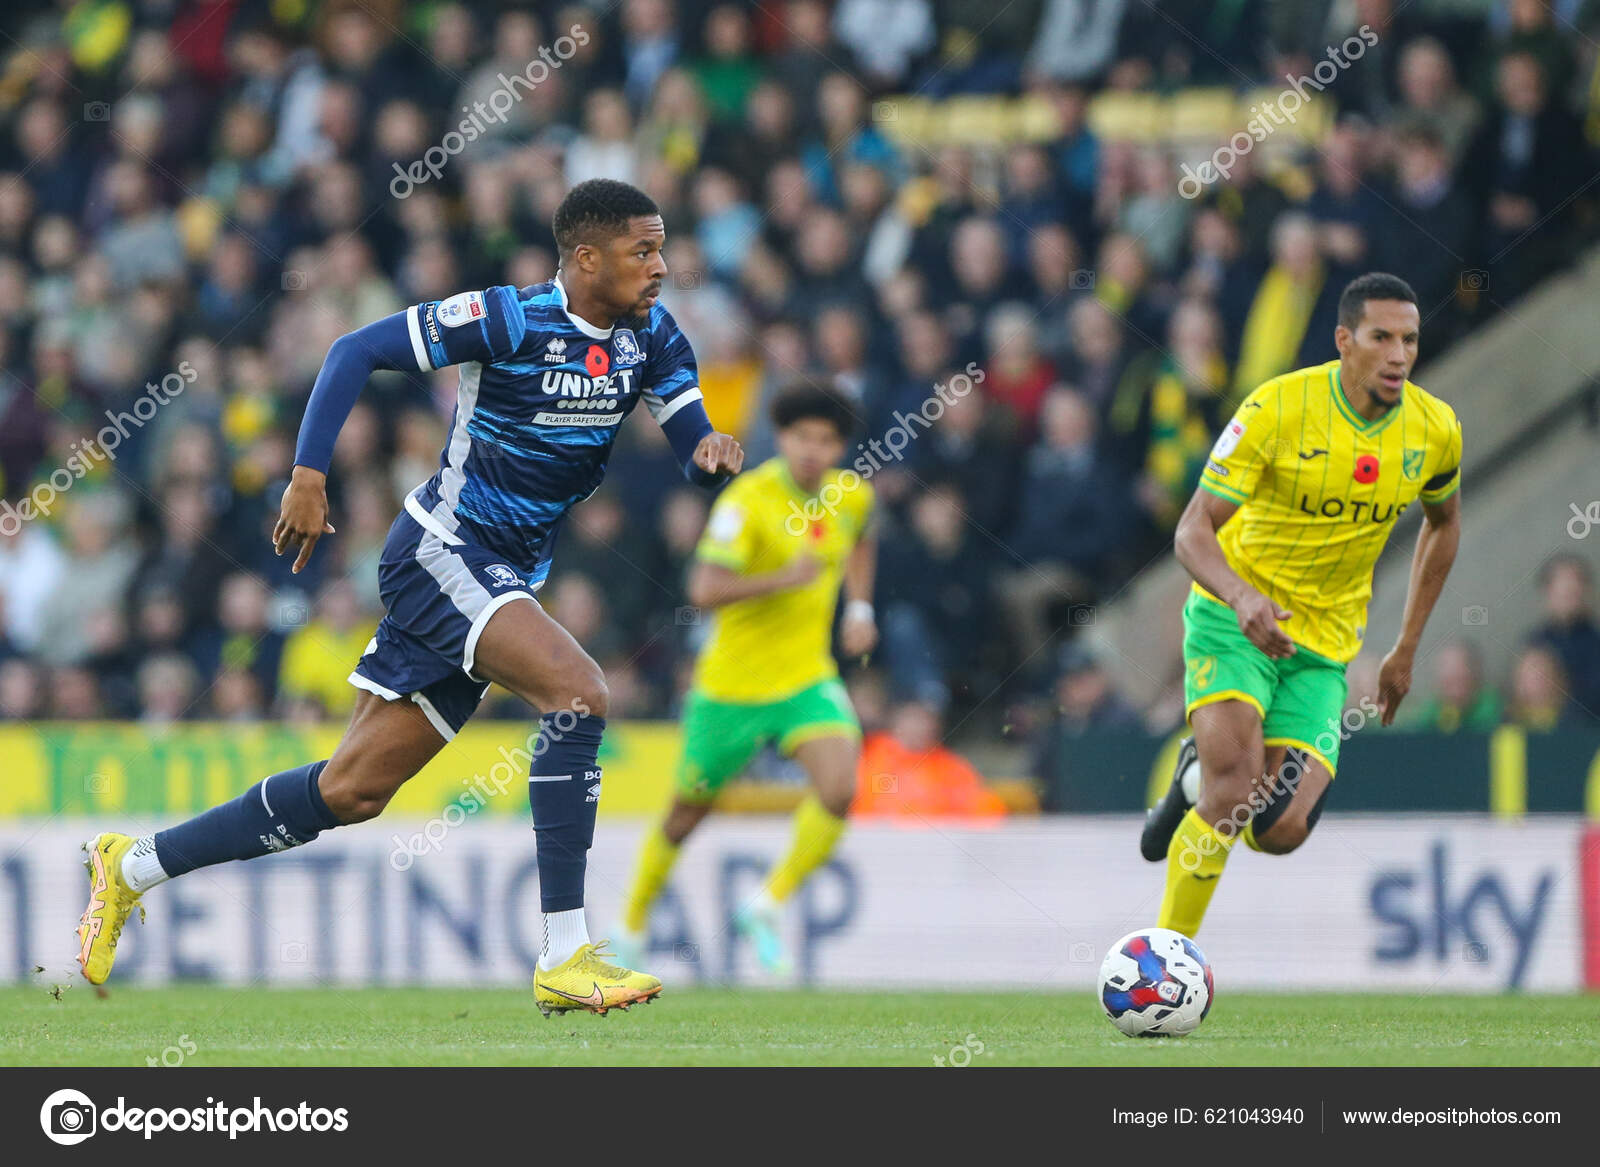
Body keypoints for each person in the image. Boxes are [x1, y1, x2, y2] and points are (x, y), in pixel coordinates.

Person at [74, 179, 745, 1017]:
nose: (661, 265)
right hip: (444, 553)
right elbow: (354, 349)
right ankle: (566, 950)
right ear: (585, 257)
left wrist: (709, 450)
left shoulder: (653, 335)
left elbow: (688, 433)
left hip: (504, 578)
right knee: (579, 693)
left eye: (661, 247)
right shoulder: (508, 318)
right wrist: (308, 475)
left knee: (350, 791)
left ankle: (130, 866)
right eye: (644, 250)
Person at [1140, 273, 1463, 938]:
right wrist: (1241, 595)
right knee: (1234, 797)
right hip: (1236, 620)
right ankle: (1165, 960)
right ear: (1345, 340)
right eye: (1382, 338)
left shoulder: (1435, 429)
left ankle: (1193, 777)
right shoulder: (1277, 408)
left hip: (1325, 644)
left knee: (1280, 827)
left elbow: (1444, 523)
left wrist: (1405, 647)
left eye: (1410, 339)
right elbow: (1192, 531)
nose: (1399, 354)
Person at [617, 381, 876, 975]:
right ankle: (629, 923)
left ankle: (767, 902)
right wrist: (784, 579)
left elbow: (861, 542)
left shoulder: (851, 497)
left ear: (838, 447)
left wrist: (859, 610)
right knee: (686, 813)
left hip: (805, 679)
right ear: (782, 439)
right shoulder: (746, 502)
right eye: (801, 437)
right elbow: (703, 590)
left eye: (825, 440)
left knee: (839, 786)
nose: (812, 449)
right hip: (730, 689)